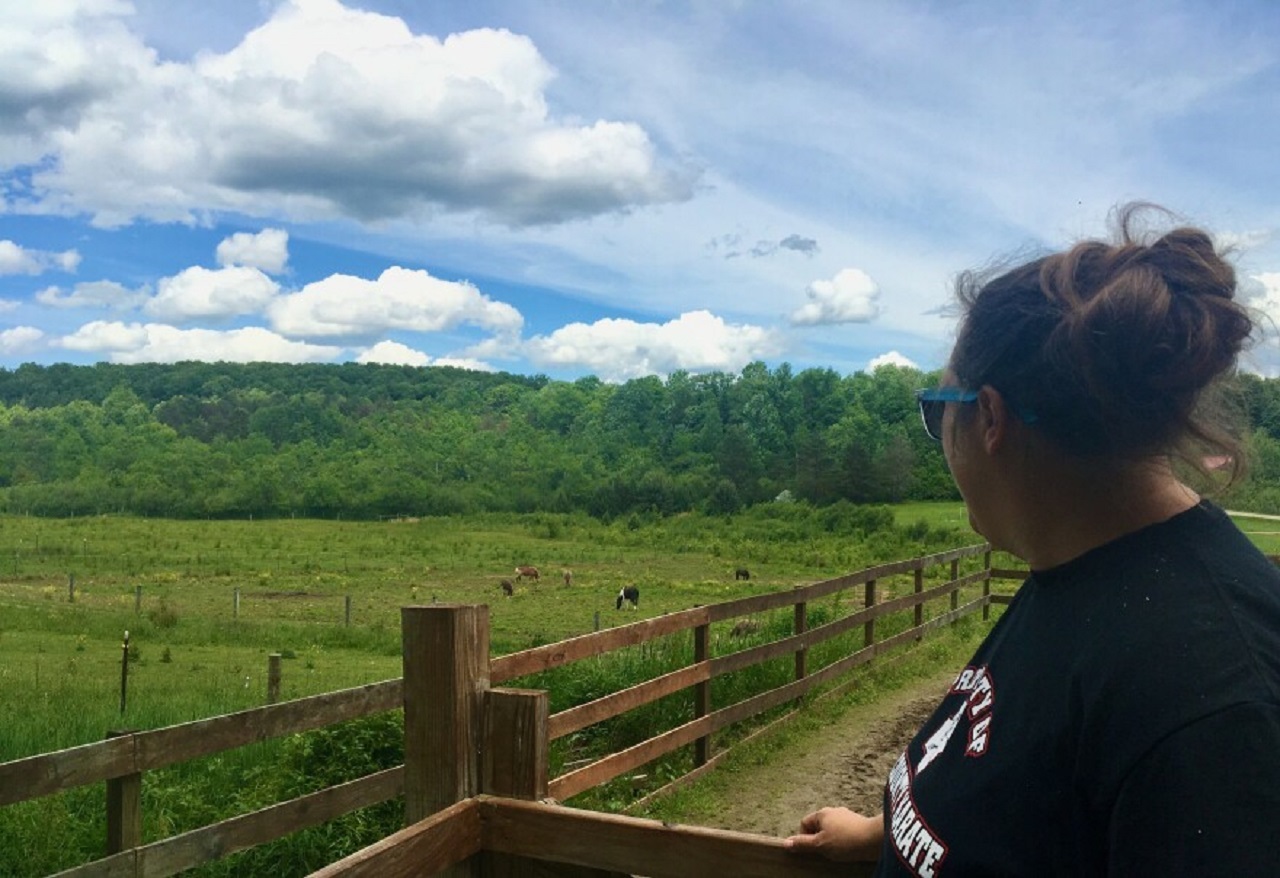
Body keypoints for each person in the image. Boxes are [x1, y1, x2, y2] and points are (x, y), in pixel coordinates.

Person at [785, 204, 1280, 875]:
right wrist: (885, 834)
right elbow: (1034, 799)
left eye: (940, 412)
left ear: (988, 417)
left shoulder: (1217, 704)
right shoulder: (1080, 568)